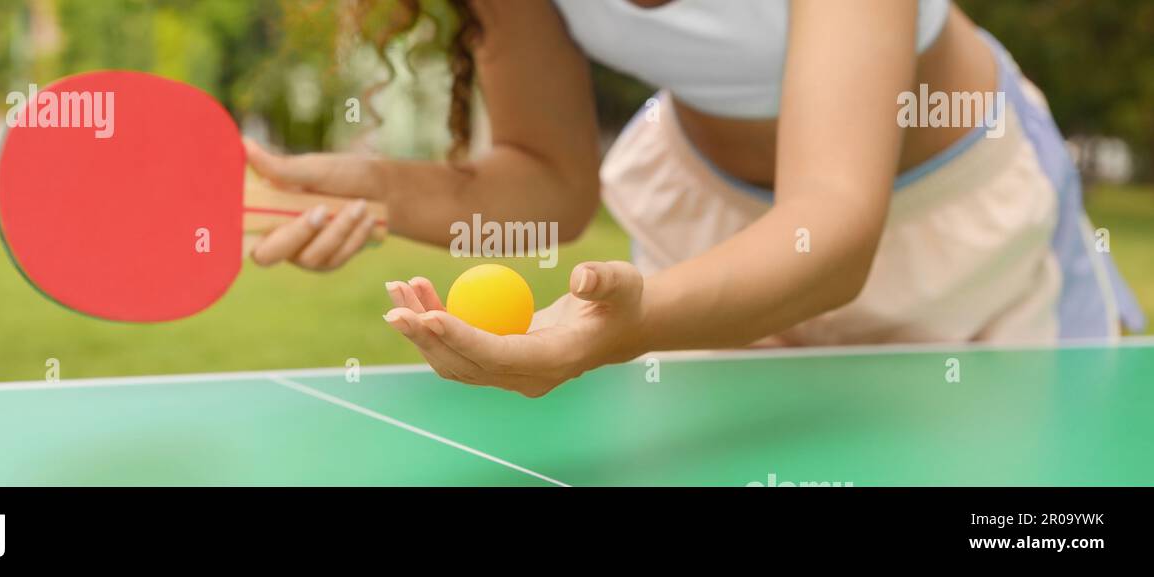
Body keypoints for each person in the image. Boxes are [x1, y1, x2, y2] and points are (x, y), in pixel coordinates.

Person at [243, 0, 1145, 397]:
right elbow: (547, 183)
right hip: (707, 216)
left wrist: (636, 325)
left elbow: (830, 218)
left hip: (960, 223)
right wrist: (382, 189)